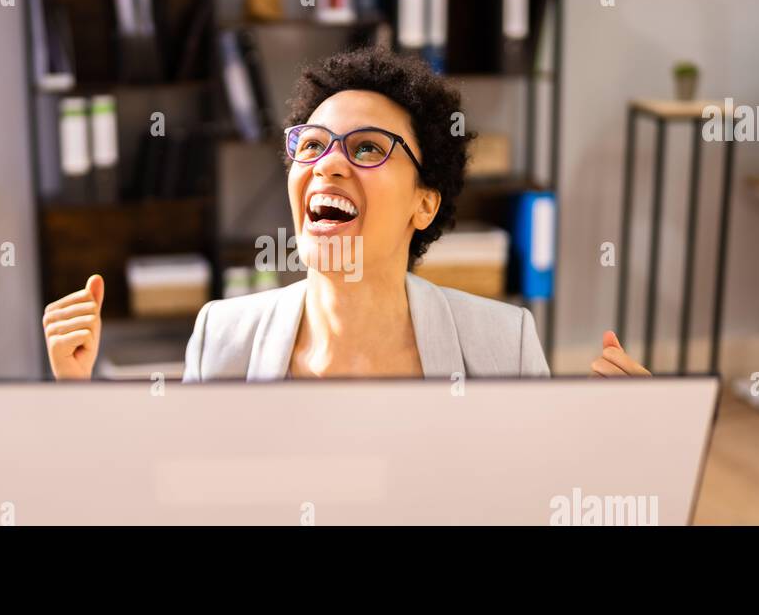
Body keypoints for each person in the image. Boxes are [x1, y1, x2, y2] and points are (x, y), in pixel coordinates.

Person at [42, 48, 650, 382]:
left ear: (424, 202)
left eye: (366, 148)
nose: (328, 164)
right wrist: (77, 396)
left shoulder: (502, 346)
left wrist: (620, 448)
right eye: (311, 144)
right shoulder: (222, 339)